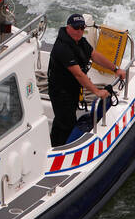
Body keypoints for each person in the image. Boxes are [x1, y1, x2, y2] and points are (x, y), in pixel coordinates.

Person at [47, 14, 127, 147]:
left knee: (66, 119)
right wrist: (97, 92)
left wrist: (115, 69)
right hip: (60, 91)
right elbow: (78, 74)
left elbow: (95, 56)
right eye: (76, 28)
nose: (79, 31)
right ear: (68, 28)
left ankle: (58, 143)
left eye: (82, 28)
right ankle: (58, 148)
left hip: (72, 88)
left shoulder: (80, 41)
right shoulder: (62, 48)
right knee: (65, 122)